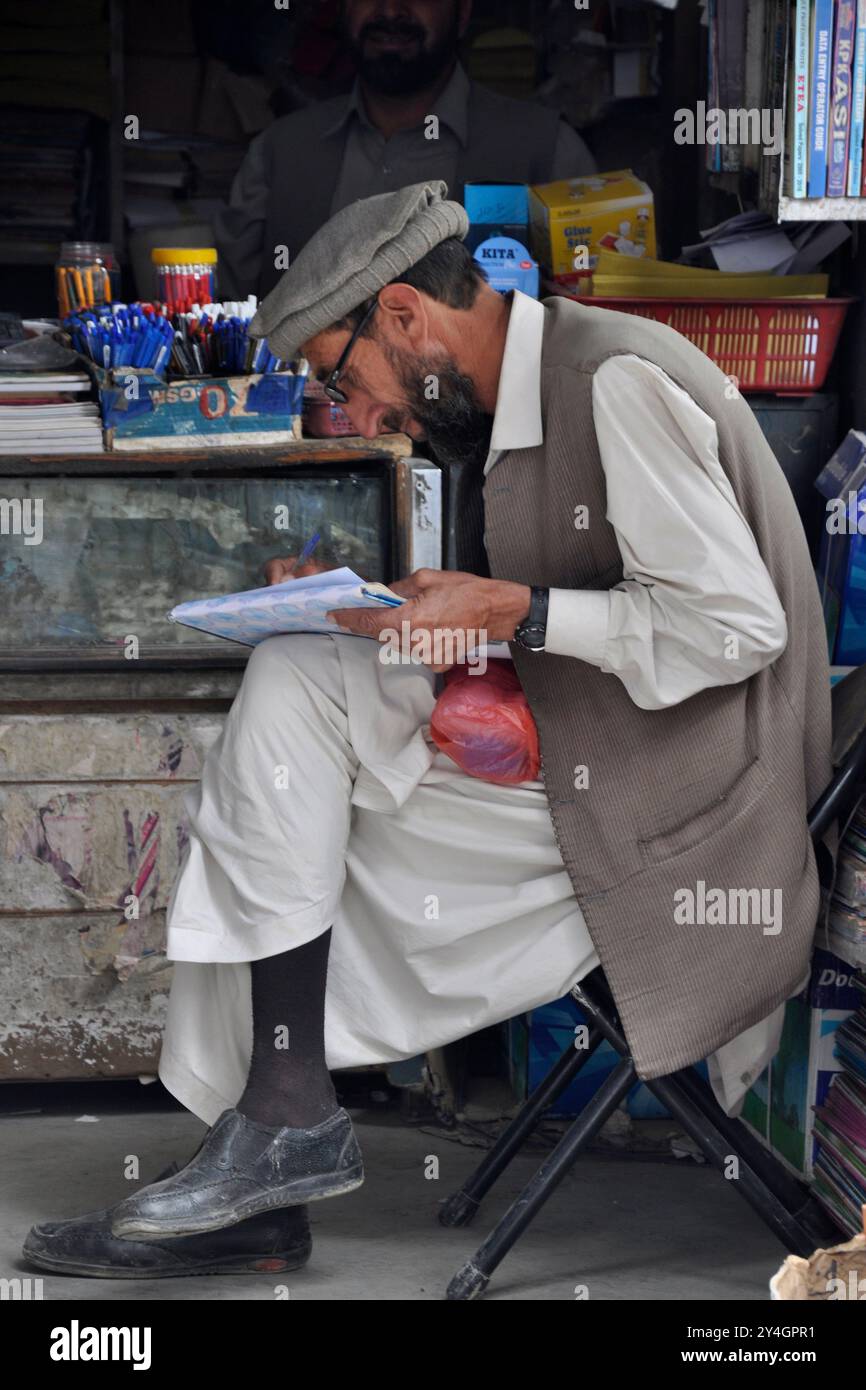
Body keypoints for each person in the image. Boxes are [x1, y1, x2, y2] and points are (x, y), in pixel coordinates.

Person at [24, 182, 832, 1279]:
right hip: (608, 750)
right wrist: (383, 613)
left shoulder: (610, 384)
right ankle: (274, 1132)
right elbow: (573, 617)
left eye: (340, 380)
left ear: (402, 314)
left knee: (286, 797)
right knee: (295, 688)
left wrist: (511, 610)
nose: (354, 416)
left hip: (688, 810)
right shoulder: (510, 400)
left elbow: (734, 627)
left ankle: (277, 1131)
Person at [214, 0, 596, 298]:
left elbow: (588, 325)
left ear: (461, 12)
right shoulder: (278, 154)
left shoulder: (547, 152)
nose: (390, 11)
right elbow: (233, 327)